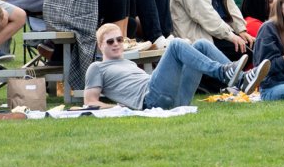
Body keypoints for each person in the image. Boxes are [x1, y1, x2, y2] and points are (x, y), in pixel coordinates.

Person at [84, 23, 267, 109]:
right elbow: (90, 101)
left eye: (119, 39)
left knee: (201, 44)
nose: (116, 44)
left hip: (176, 99)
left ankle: (241, 80)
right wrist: (117, 108)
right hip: (150, 100)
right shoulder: (97, 67)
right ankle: (224, 73)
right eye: (110, 42)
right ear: (100, 46)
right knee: (176, 45)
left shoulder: (128, 62)